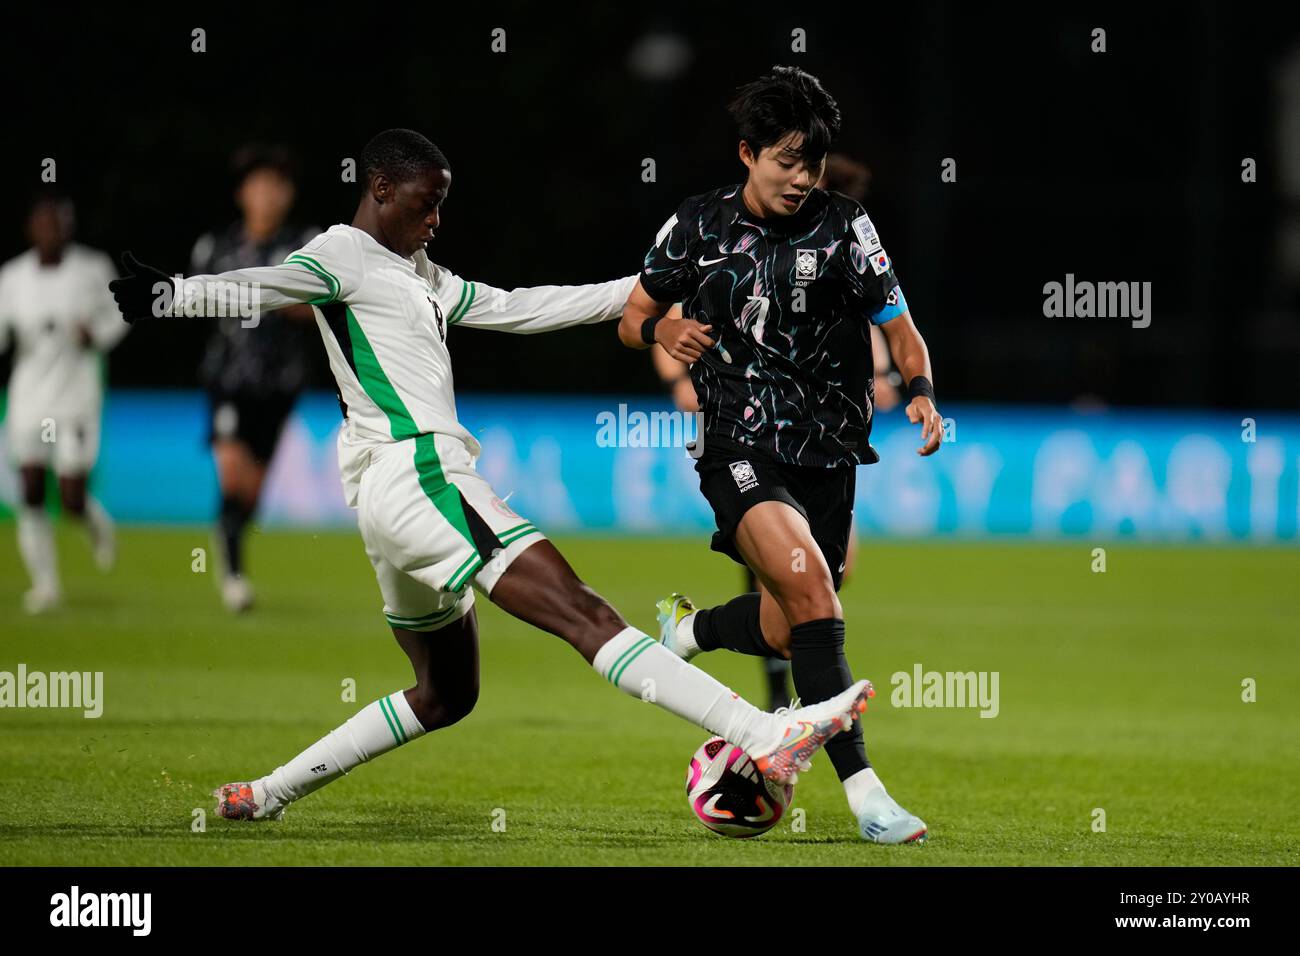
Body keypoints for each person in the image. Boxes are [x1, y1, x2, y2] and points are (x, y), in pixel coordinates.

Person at [108, 128, 872, 823]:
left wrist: (647, 288)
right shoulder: (341, 254)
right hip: (424, 479)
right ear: (380, 190)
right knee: (584, 613)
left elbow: (520, 307)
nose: (437, 219)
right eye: (426, 203)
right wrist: (172, 294)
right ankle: (763, 732)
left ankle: (267, 793)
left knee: (447, 694)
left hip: (390, 501)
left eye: (442, 204)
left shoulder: (423, 276)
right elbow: (269, 283)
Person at [618, 67, 942, 844]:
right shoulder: (697, 225)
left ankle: (688, 631)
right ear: (748, 153)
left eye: (814, 163)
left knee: (782, 624)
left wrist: (923, 388)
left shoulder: (846, 227)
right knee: (819, 602)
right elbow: (633, 317)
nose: (802, 178)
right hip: (738, 445)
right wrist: (663, 332)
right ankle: (868, 799)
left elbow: (898, 326)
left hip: (830, 453)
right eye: (787, 160)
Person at [648, 152, 899, 713]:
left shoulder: (835, 268)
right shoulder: (722, 245)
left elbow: (874, 346)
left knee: (818, 586)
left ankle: (697, 632)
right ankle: (780, 701)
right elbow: (667, 331)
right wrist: (681, 372)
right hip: (739, 432)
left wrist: (885, 382)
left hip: (813, 440)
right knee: (789, 579)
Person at [192, 146, 320, 612]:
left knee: (252, 492)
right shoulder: (216, 248)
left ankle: (229, 532)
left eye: (275, 187)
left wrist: (284, 300)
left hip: (279, 384)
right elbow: (195, 302)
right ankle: (233, 577)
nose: (266, 195)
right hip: (226, 379)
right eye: (257, 186)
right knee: (231, 474)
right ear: (242, 193)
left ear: (287, 195)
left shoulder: (307, 246)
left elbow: (321, 306)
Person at [0, 194, 125, 613]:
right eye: (42, 224)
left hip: (75, 398)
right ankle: (46, 584)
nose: (49, 231)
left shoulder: (92, 270)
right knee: (32, 487)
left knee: (70, 494)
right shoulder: (12, 277)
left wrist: (96, 336)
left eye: (57, 224)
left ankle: (95, 524)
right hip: (28, 396)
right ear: (30, 229)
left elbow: (120, 316)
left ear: (68, 229)